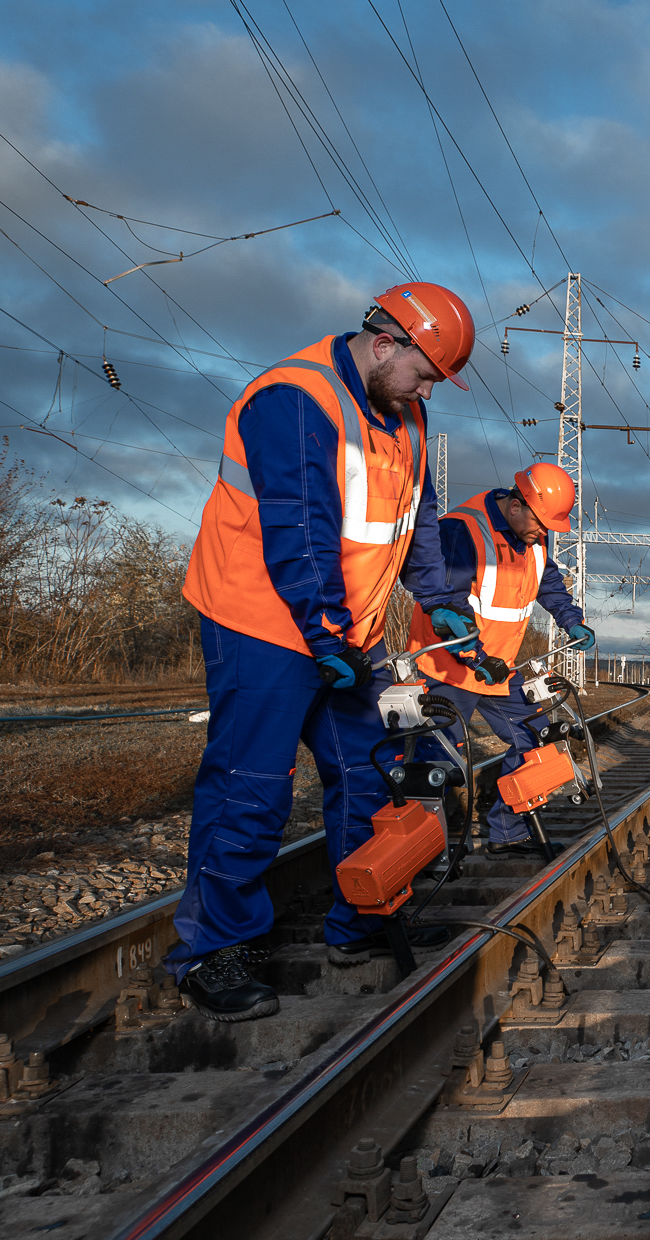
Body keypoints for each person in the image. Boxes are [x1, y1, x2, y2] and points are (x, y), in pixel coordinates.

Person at [170, 282, 491, 1022]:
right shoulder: (294, 398)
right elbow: (300, 526)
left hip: (343, 631)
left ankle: (362, 919)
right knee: (252, 787)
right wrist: (321, 632)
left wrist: (438, 594)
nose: (428, 391)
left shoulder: (405, 416)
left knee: (371, 773)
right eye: (424, 373)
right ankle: (212, 952)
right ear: (386, 343)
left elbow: (417, 518)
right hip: (261, 620)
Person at [412, 463, 595, 856]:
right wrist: (474, 655)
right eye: (540, 522)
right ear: (516, 505)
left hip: (499, 667)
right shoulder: (461, 529)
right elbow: (449, 602)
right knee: (436, 761)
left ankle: (508, 833)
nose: (543, 532)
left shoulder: (534, 538)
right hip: (450, 667)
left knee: (537, 742)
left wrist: (571, 620)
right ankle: (424, 850)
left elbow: (549, 583)